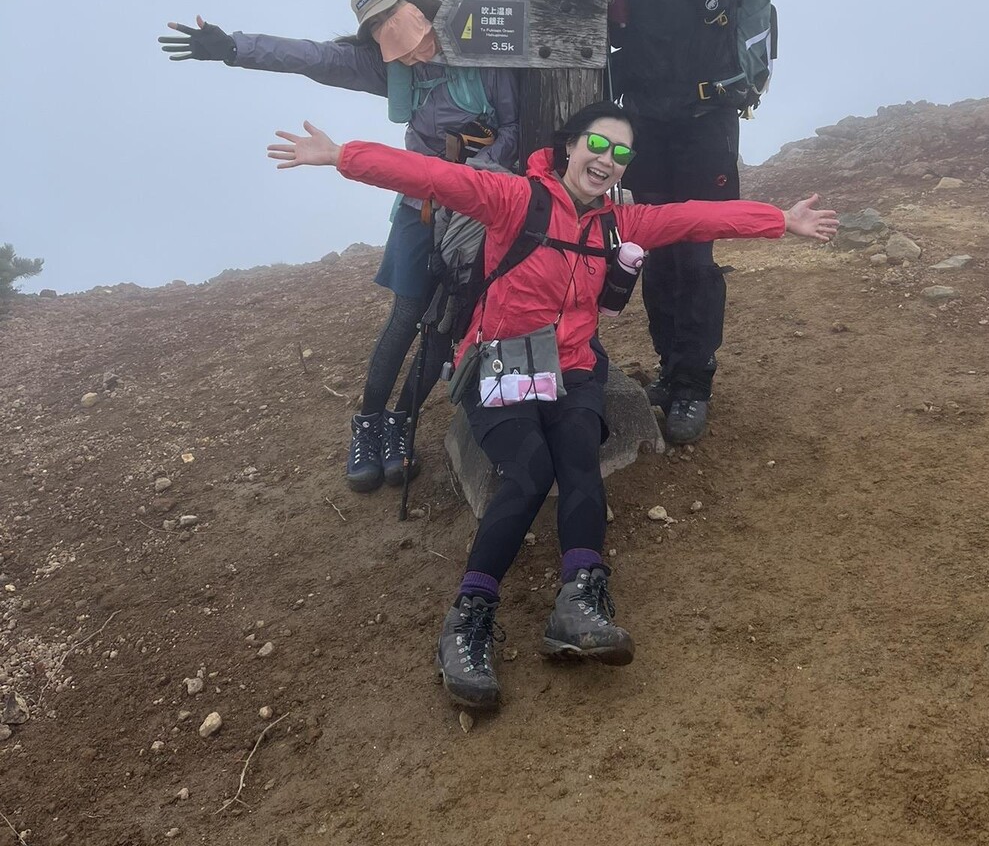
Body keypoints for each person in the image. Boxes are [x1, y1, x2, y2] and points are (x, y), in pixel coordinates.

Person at [266, 102, 838, 712]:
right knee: (530, 471)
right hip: (502, 361)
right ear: (570, 145)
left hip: (574, 369)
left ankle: (579, 603)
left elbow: (695, 217)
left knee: (579, 461)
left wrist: (781, 221)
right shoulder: (515, 200)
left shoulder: (622, 222)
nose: (607, 160)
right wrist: (341, 155)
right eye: (598, 144)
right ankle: (468, 619)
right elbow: (432, 177)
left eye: (621, 153)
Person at [610, 0, 954, 445]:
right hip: (644, 126)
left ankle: (694, 383)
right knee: (652, 250)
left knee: (696, 255)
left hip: (706, 125)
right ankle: (669, 370)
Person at [160, 0, 520, 493]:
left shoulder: (483, 49)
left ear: (420, 10)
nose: (411, 54)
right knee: (407, 314)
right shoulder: (384, 67)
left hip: (477, 203)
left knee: (447, 320)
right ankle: (368, 425)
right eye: (388, 39)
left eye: (410, 35)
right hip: (420, 204)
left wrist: (473, 176)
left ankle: (401, 423)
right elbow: (312, 57)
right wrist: (233, 47)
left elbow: (511, 127)